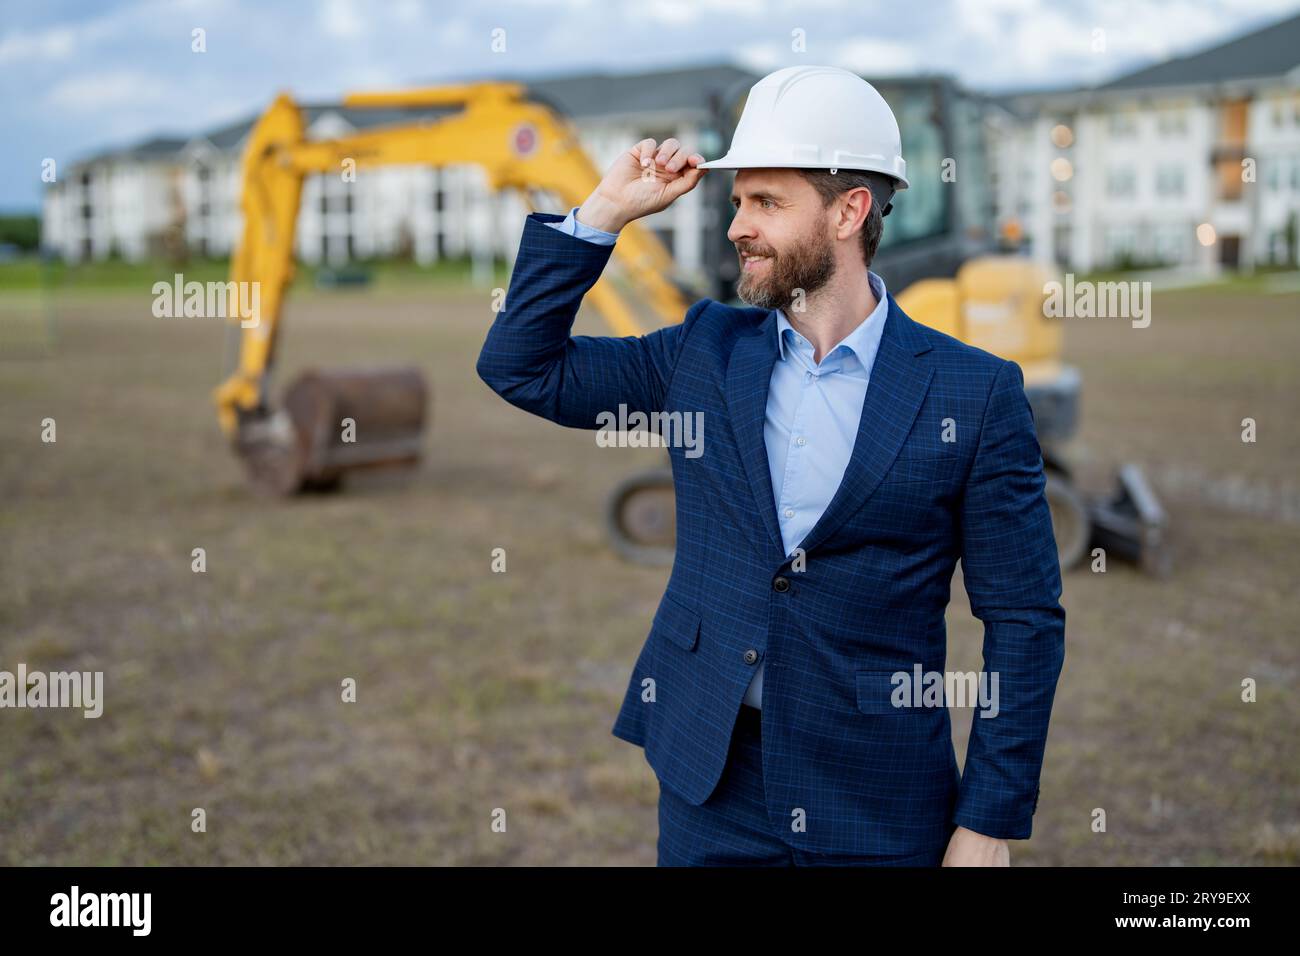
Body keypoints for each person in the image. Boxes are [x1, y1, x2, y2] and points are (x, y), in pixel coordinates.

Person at [477, 65, 1065, 866]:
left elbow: (1025, 620)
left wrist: (988, 822)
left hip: (876, 795)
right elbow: (522, 367)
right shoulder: (704, 350)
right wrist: (603, 213)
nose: (736, 226)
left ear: (850, 211)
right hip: (710, 779)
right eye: (738, 200)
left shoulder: (977, 391)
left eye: (767, 202)